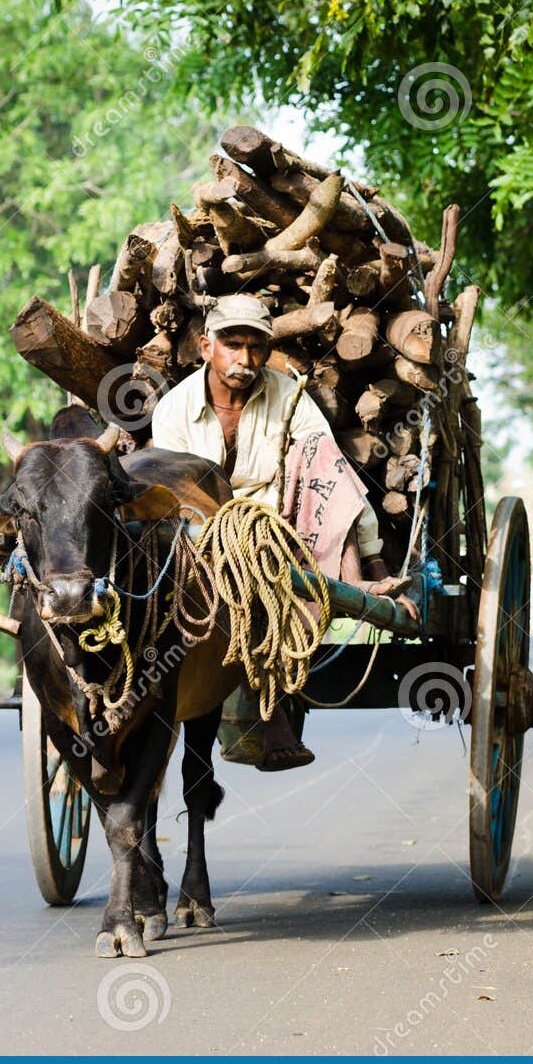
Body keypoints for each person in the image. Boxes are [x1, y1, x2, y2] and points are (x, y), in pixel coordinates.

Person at [149, 293, 412, 769]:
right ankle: (267, 710)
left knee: (321, 454)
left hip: (282, 529)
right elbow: (174, 494)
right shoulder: (174, 409)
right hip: (200, 536)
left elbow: (329, 469)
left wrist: (373, 556)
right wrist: (226, 537)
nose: (244, 359)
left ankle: (354, 579)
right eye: (232, 345)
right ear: (206, 347)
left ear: (267, 352)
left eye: (255, 348)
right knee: (229, 561)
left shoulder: (289, 399)